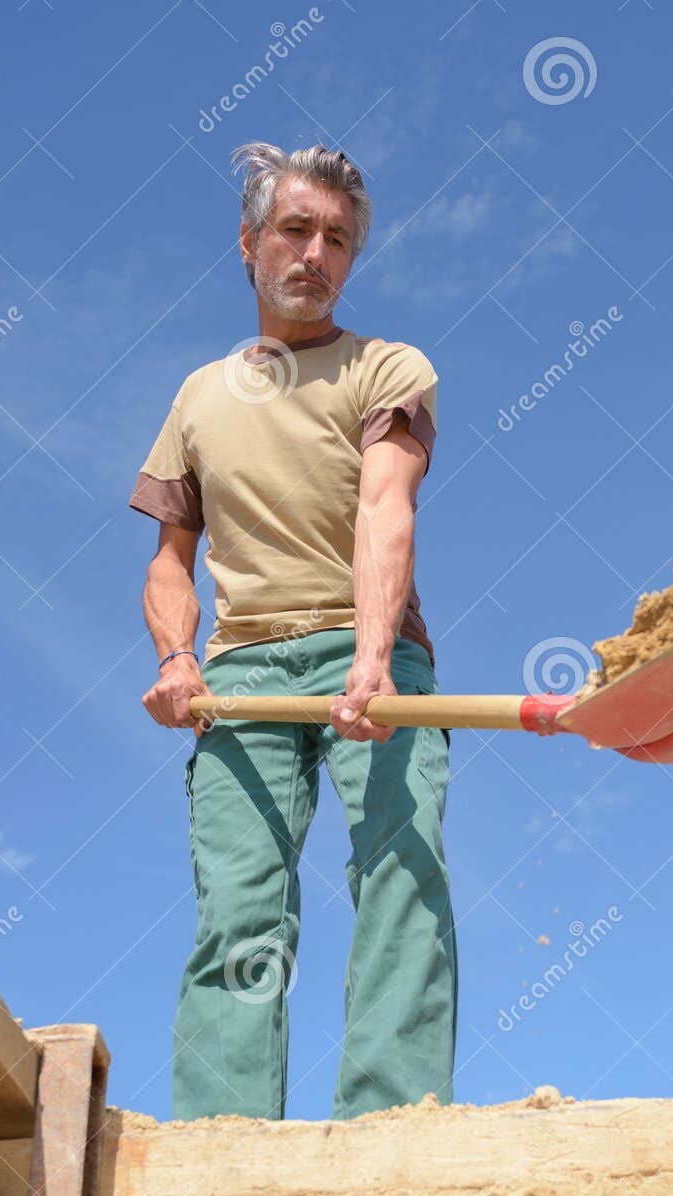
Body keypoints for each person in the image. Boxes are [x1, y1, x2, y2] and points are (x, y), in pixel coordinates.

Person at [133, 141, 458, 1122]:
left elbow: (385, 511)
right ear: (249, 242)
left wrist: (369, 663)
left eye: (339, 239)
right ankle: (224, 1147)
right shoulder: (196, 397)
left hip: (375, 655)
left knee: (405, 871)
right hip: (239, 679)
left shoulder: (389, 367)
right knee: (241, 913)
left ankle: (391, 1125)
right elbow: (168, 563)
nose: (316, 253)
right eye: (295, 230)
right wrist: (177, 658)